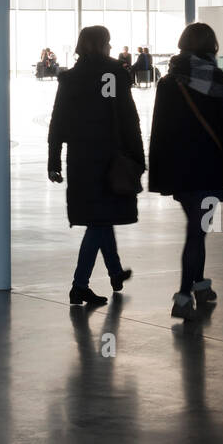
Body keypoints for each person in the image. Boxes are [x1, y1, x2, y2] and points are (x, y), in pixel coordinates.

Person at [148, 22, 223, 320]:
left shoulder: (168, 83)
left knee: (197, 230)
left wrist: (161, 176)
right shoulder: (216, 80)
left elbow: (160, 133)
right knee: (196, 233)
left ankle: (201, 287)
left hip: (180, 173)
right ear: (212, 47)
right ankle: (182, 297)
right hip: (209, 172)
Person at [48, 25, 145, 306]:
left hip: (80, 159)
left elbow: (58, 121)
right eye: (109, 43)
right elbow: (128, 118)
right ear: (103, 44)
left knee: (99, 218)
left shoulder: (70, 77)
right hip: (109, 157)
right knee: (100, 220)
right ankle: (79, 285)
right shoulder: (114, 73)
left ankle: (115, 273)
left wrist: (54, 159)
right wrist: (138, 158)